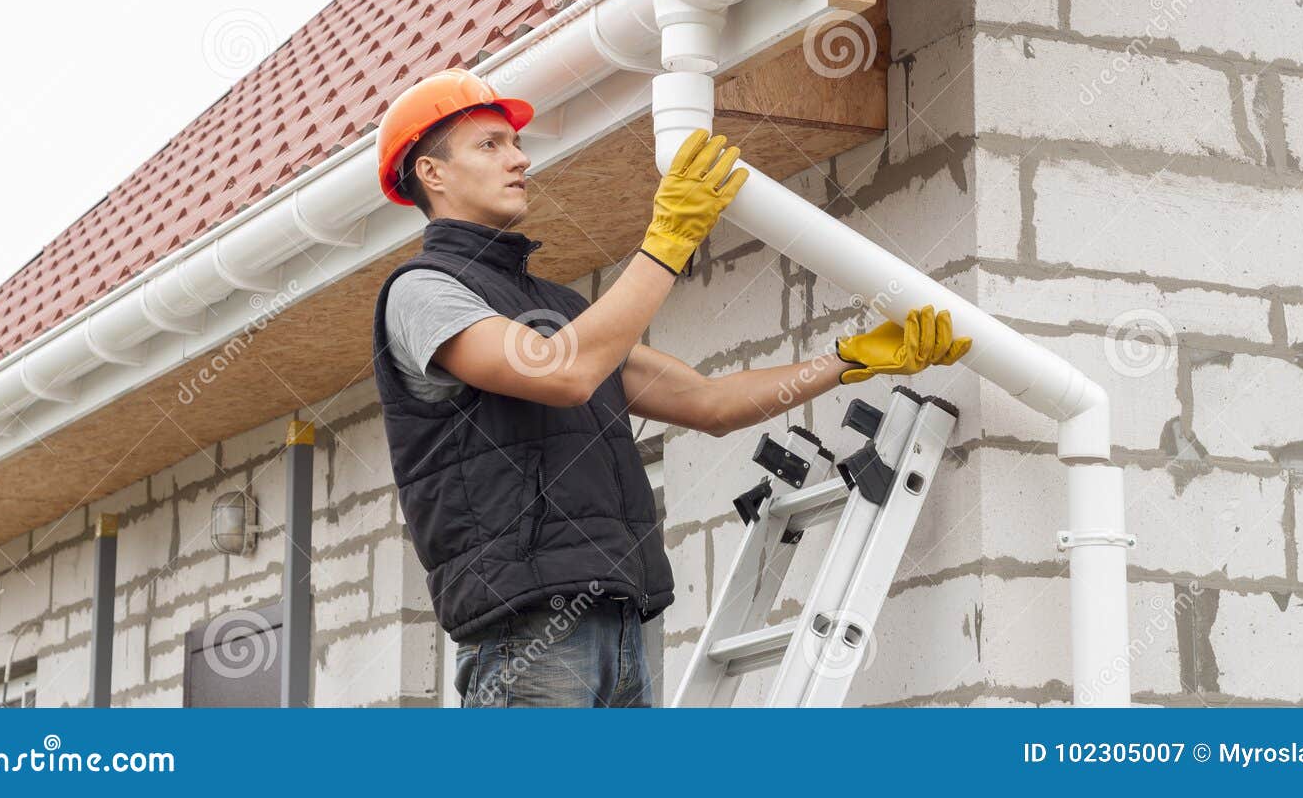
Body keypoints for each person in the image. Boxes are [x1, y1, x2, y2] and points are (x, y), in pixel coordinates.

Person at [371, 68, 970, 707]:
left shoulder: (560, 308)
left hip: (622, 629)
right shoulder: (422, 291)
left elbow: (706, 403)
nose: (519, 158)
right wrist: (667, 243)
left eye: (516, 144)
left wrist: (850, 359)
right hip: (527, 640)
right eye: (489, 144)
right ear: (431, 174)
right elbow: (563, 373)